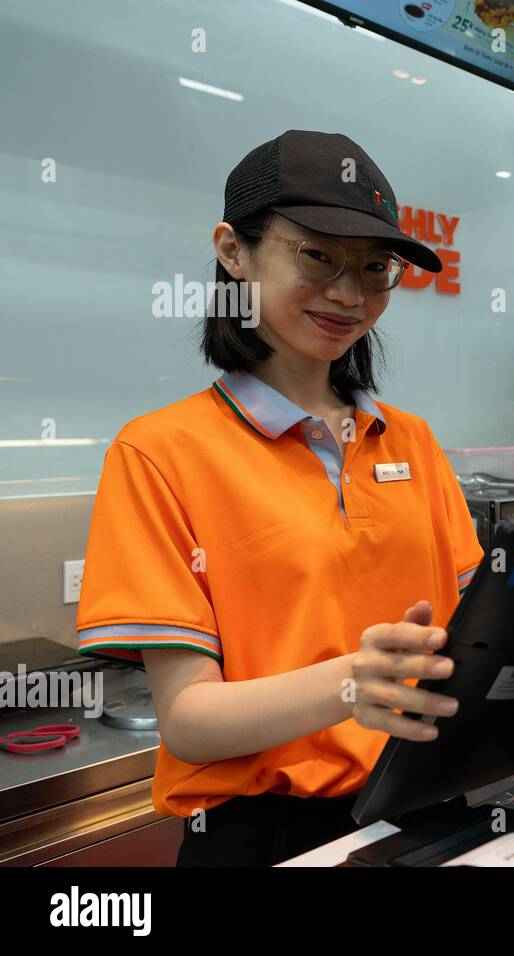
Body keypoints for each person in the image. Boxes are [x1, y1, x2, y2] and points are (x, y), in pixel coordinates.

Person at [76, 130, 482, 866]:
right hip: (267, 837)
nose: (349, 294)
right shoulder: (159, 452)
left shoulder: (410, 441)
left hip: (425, 808)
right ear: (234, 250)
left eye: (375, 269)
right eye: (317, 255)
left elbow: (475, 639)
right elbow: (189, 723)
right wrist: (354, 683)